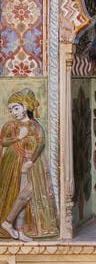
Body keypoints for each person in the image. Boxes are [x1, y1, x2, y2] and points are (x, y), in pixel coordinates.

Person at [0, 90, 58, 241]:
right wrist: (18, 138)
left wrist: (31, 161)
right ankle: (14, 227)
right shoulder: (10, 125)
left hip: (32, 164)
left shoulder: (35, 126)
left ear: (25, 107)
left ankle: (10, 223)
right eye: (11, 110)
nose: (13, 112)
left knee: (30, 192)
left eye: (16, 108)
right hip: (13, 163)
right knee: (19, 192)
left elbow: (41, 143)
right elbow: (3, 142)